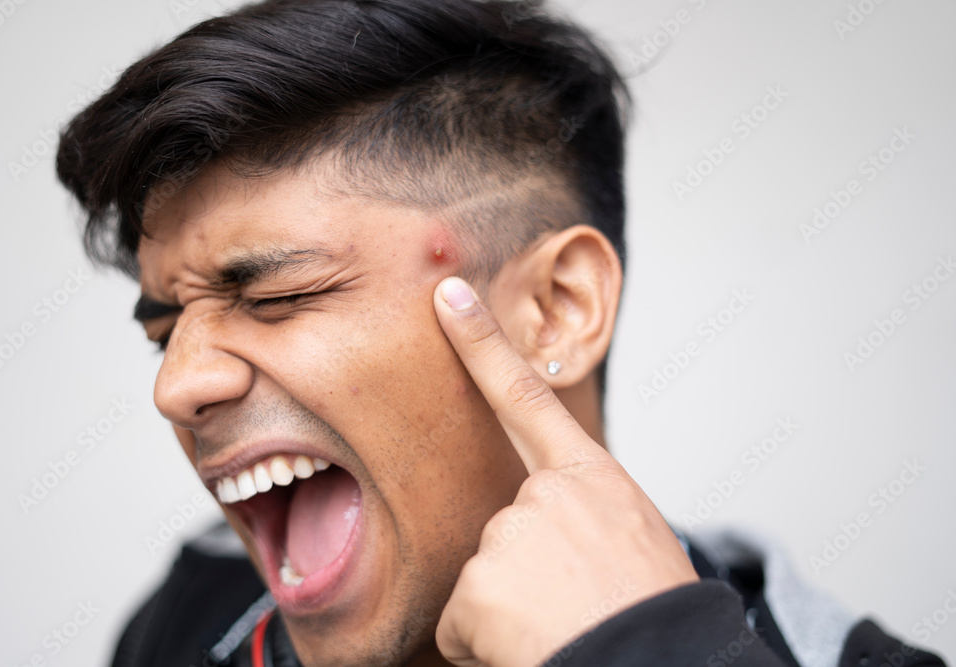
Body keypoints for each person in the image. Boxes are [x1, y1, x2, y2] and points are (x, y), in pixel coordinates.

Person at [55, 1, 946, 665]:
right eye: (164, 329)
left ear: (557, 307)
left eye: (277, 295)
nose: (176, 384)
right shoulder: (183, 614)